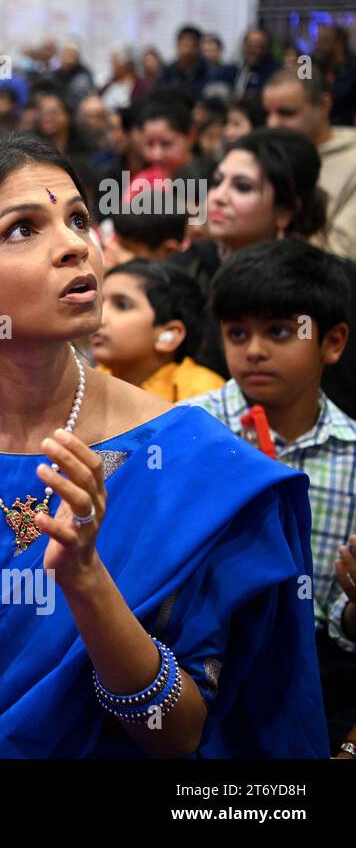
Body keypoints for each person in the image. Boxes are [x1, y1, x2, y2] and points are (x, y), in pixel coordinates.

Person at [0, 134, 326, 757]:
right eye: (23, 229)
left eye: (78, 219)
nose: (75, 245)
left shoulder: (192, 456)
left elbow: (178, 733)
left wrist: (85, 580)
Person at [179, 240, 355, 753]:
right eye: (238, 333)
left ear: (333, 342)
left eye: (279, 332)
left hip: (316, 679)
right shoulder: (190, 430)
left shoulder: (352, 456)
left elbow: (340, 617)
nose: (253, 350)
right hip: (202, 665)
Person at [169, 128, 356, 416]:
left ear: (285, 211)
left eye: (242, 187)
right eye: (217, 182)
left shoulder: (334, 282)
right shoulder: (181, 272)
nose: (219, 197)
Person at [91, 259, 224, 401]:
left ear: (169, 335)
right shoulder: (88, 383)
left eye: (122, 306)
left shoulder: (201, 393)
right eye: (98, 304)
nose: (99, 318)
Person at [262, 69, 356, 263]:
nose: (272, 123)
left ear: (324, 105)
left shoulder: (351, 163)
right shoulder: (267, 154)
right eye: (268, 112)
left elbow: (342, 256)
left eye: (286, 113)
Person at [158, 25, 212, 100]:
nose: (188, 51)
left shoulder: (208, 71)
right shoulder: (168, 72)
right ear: (177, 45)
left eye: (193, 46)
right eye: (185, 45)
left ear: (199, 47)